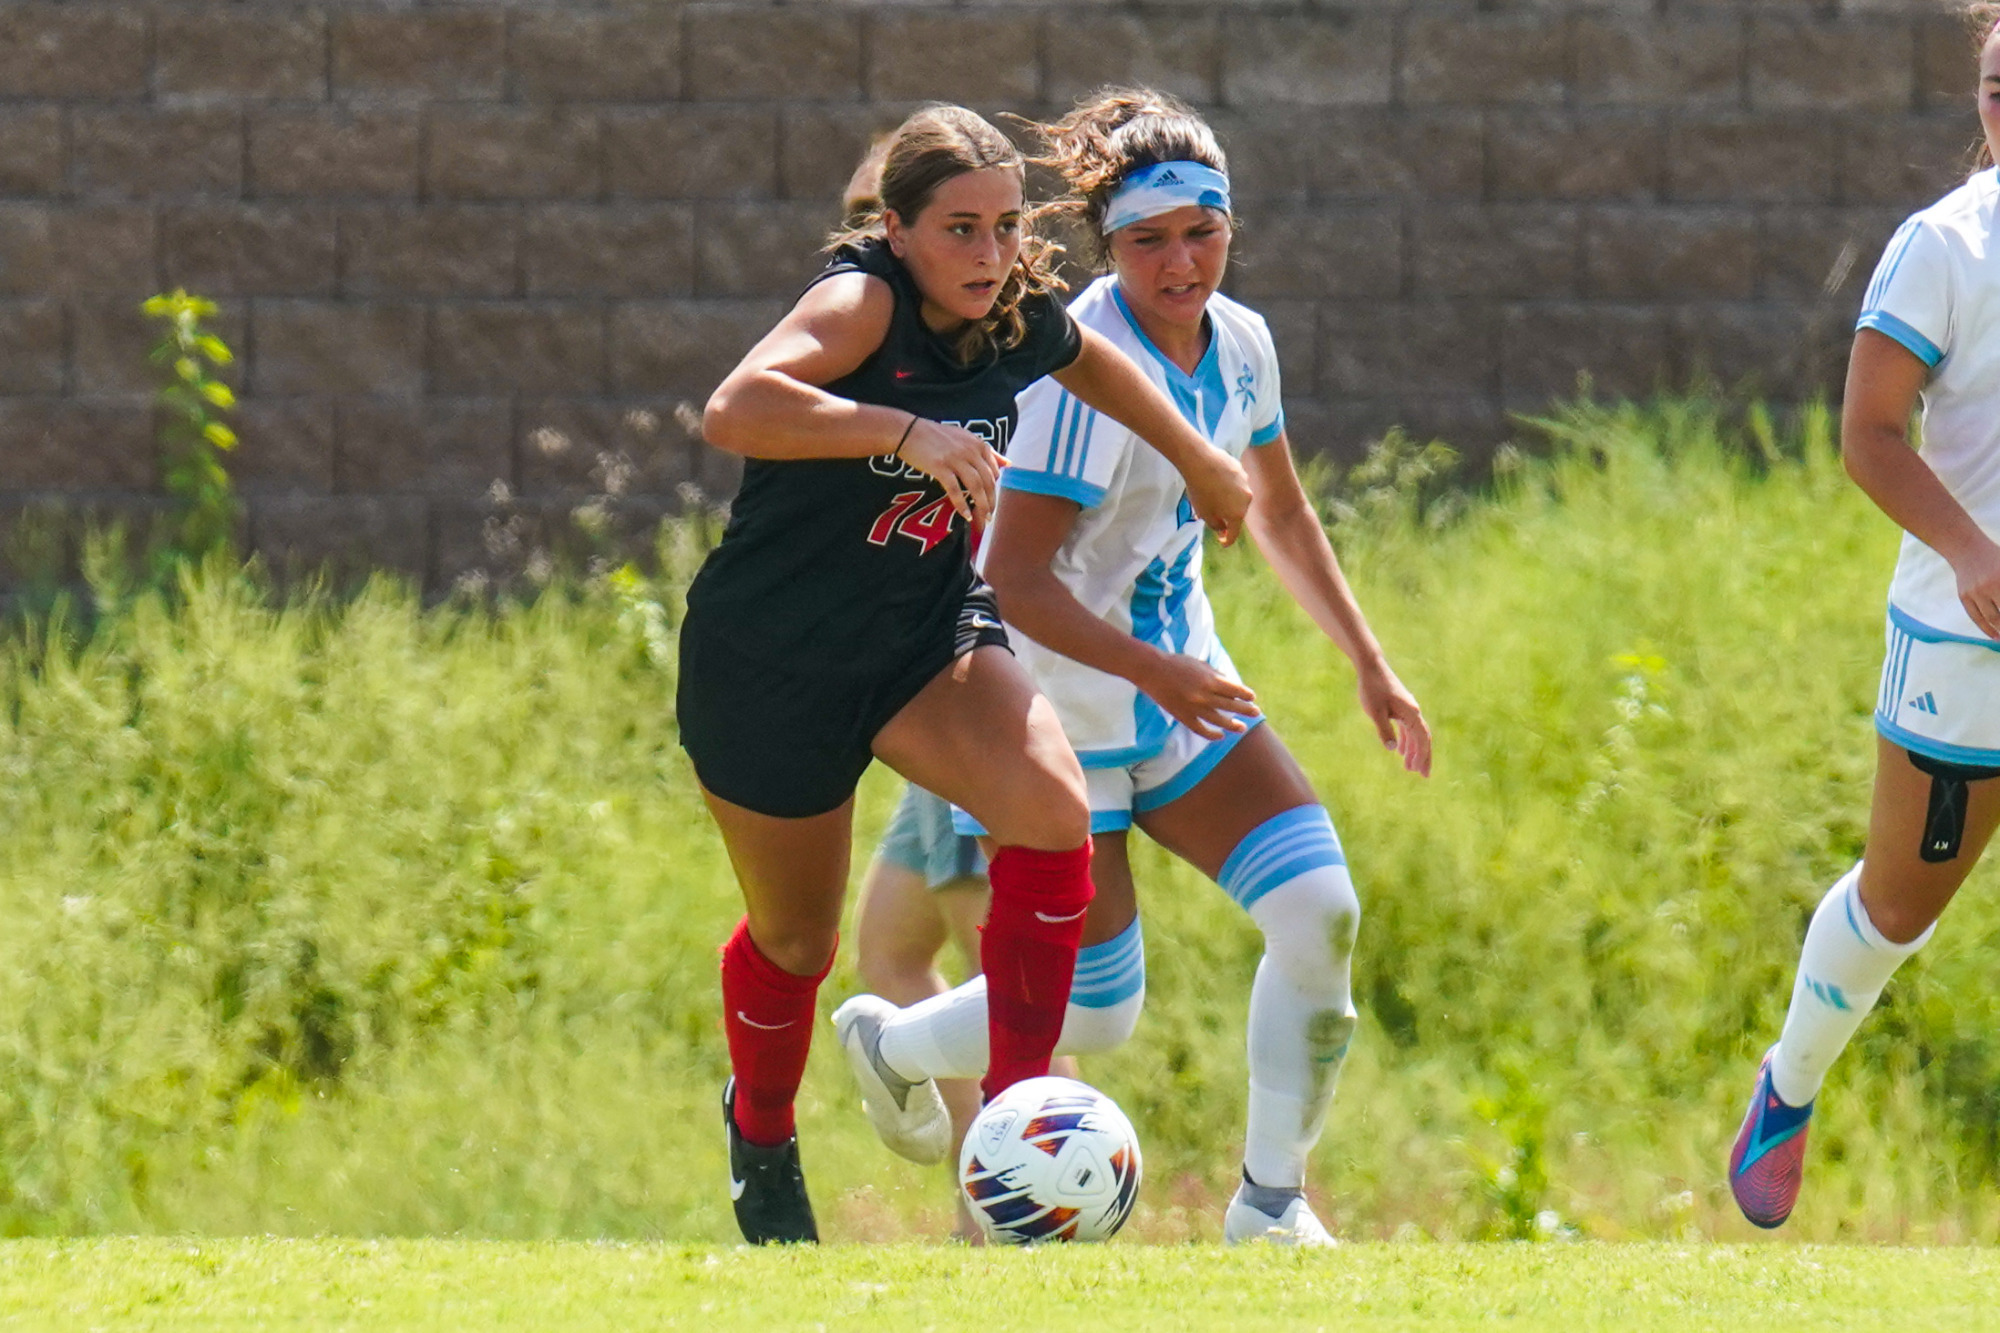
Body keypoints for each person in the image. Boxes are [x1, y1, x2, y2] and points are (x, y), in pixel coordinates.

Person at [830, 89, 1432, 1247]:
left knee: (1319, 913)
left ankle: (1268, 1205)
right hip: (1060, 713)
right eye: (1148, 240)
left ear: (1229, 228)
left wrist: (1367, 659)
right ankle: (892, 1041)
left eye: (1200, 233)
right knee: (1096, 1013)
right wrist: (1161, 677)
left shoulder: (1241, 342)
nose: (1179, 261)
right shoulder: (1078, 369)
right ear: (1110, 247)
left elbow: (1281, 512)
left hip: (1179, 690)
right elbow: (1014, 583)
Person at [683, 103, 1254, 1246]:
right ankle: (760, 1131)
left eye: (1002, 229)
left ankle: (1014, 1136)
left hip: (923, 636)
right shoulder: (860, 303)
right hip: (770, 660)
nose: (987, 257)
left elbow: (1090, 360)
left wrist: (1195, 453)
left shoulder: (1008, 315)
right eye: (957, 230)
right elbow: (733, 408)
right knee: (797, 943)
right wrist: (901, 431)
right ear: (896, 231)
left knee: (1050, 817)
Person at [1727, 10, 2000, 1230]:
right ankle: (1786, 1086)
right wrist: (1968, 549)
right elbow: (1867, 435)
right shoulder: (1943, 247)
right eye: (1999, 88)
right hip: (1964, 635)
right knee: (1902, 901)